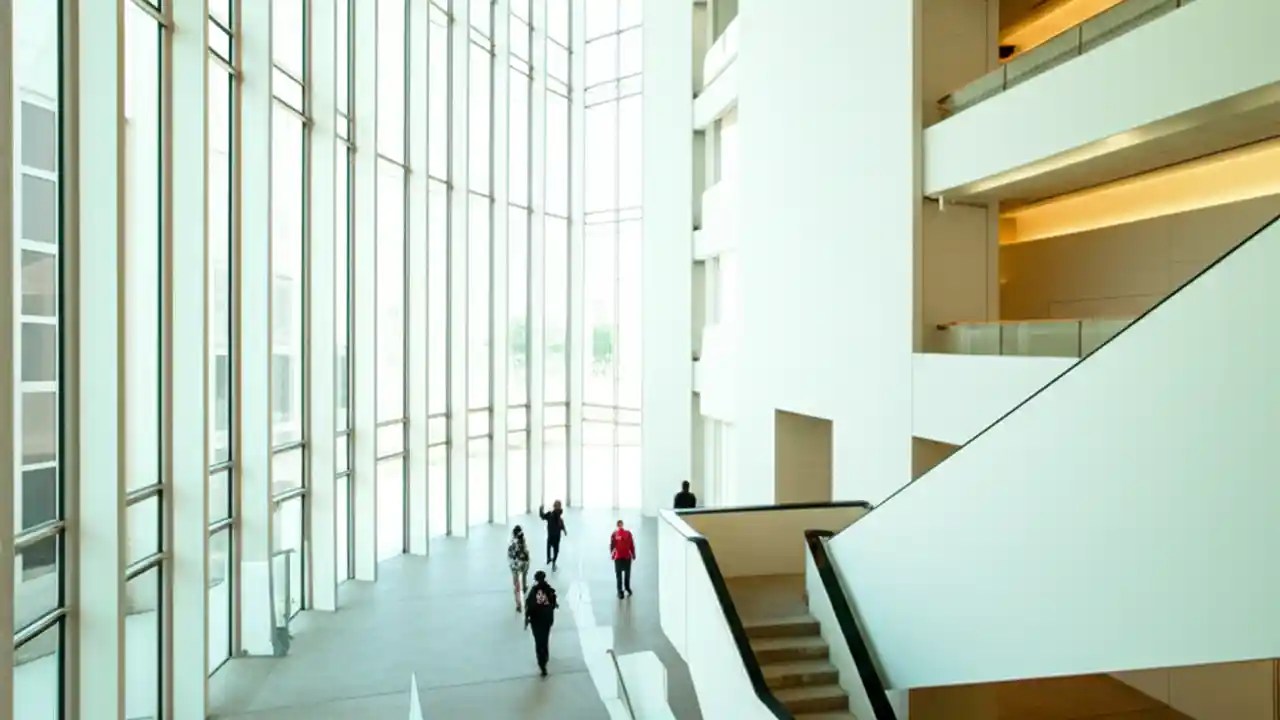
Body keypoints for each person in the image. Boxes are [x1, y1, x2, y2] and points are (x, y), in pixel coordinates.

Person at [524, 570, 559, 677]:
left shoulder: (533, 592)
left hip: (536, 621)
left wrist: (526, 619)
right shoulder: (549, 590)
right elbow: (554, 604)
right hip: (546, 620)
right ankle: (545, 658)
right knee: (545, 639)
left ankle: (541, 662)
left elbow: (529, 606)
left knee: (538, 642)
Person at [610, 519, 636, 600]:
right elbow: (632, 544)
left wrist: (612, 554)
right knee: (627, 574)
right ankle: (627, 588)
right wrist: (633, 554)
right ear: (622, 525)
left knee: (619, 575)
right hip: (627, 557)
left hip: (618, 557)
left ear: (617, 525)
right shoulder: (628, 533)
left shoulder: (614, 534)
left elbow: (612, 545)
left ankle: (620, 592)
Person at [538, 500, 567, 571]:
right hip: (554, 535)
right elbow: (542, 516)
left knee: (552, 548)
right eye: (556, 506)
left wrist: (564, 530)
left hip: (554, 536)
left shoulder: (555, 515)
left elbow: (561, 523)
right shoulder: (551, 514)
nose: (557, 507)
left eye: (558, 506)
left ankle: (551, 560)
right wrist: (540, 510)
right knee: (553, 548)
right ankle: (551, 560)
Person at [508, 526, 531, 613]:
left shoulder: (512, 543)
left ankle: (518, 604)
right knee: (524, 575)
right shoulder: (523, 540)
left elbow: (510, 555)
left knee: (517, 586)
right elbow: (526, 552)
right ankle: (524, 587)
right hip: (524, 563)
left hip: (515, 566)